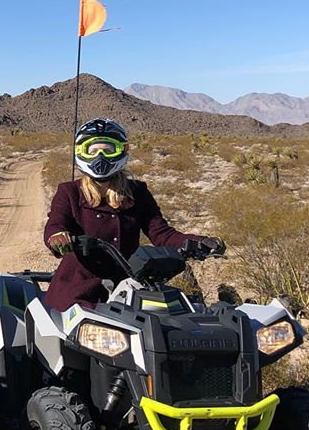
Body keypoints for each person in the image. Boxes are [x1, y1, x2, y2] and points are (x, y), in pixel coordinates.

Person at [43, 118, 224, 311]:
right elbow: (55, 224)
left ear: (122, 150)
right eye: (93, 150)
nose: (101, 156)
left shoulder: (137, 192)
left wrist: (199, 242)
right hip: (79, 289)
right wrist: (59, 239)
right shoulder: (69, 192)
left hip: (129, 286)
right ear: (81, 152)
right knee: (71, 336)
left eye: (108, 149)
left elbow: (162, 234)